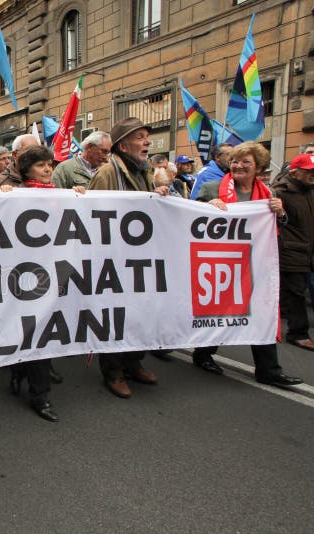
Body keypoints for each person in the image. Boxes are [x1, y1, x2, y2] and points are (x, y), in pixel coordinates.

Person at [192, 141, 303, 389]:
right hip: (221, 262)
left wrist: (280, 213)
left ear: (259, 167)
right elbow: (191, 217)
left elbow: (278, 227)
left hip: (256, 264)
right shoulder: (211, 188)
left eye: (245, 162)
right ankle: (203, 353)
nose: (238, 165)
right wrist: (207, 207)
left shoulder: (268, 195)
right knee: (221, 310)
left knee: (261, 312)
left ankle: (268, 370)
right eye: (234, 161)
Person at [0, 145, 85, 422]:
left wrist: (81, 197)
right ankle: (32, 387)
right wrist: (3, 198)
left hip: (54, 272)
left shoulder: (61, 195)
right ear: (26, 170)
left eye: (50, 164)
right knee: (30, 332)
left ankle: (34, 388)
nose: (48, 170)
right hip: (24, 275)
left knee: (43, 333)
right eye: (40, 165)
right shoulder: (13, 192)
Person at [88, 117, 167, 398]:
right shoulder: (108, 173)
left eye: (147, 137)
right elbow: (92, 217)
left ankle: (134, 363)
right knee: (116, 317)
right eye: (141, 137)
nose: (147, 142)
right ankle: (113, 372)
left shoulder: (144, 172)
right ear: (123, 144)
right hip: (114, 259)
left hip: (140, 258)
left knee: (141, 315)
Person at [272, 153, 314, 350]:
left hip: (309, 249)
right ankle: (298, 333)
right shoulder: (280, 193)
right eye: (309, 172)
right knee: (296, 293)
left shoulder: (311, 191)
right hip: (291, 250)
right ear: (296, 173)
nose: (313, 175)